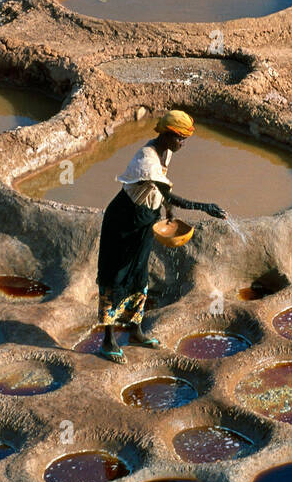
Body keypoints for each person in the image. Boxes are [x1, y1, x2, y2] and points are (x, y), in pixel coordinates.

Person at [95, 110, 227, 363]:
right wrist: (204, 207)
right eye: (180, 139)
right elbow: (168, 190)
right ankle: (108, 341)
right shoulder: (146, 159)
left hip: (144, 221)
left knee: (139, 276)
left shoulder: (164, 151)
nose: (182, 144)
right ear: (167, 135)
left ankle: (135, 332)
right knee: (116, 276)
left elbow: (163, 189)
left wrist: (167, 209)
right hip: (123, 222)